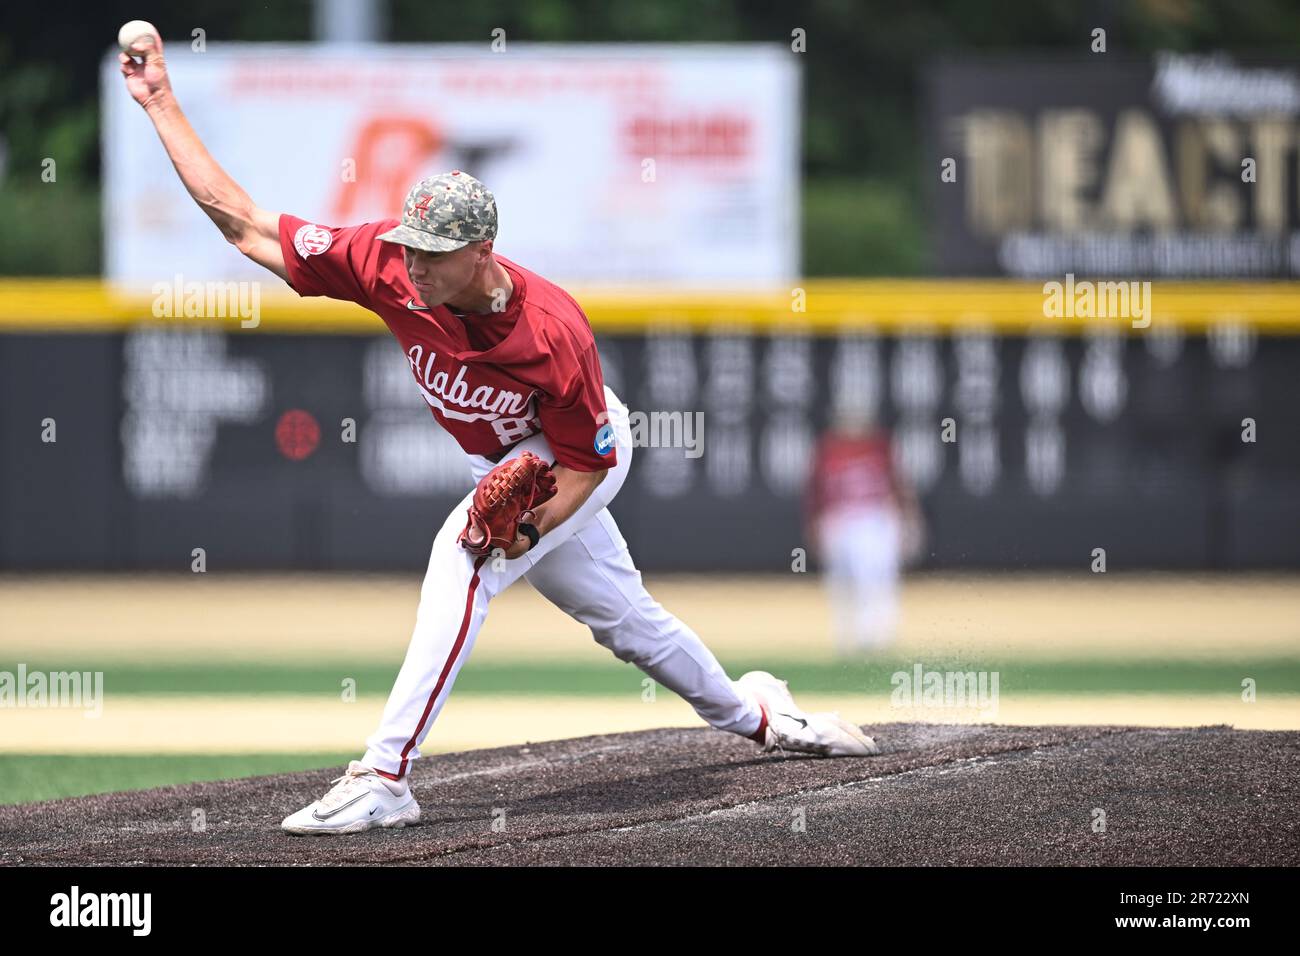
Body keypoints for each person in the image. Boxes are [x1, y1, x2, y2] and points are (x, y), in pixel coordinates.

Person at [118, 28, 878, 836]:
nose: (415, 266)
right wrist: (161, 102)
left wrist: (526, 526)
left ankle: (384, 775)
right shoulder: (384, 261)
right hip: (517, 460)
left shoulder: (552, 333)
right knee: (630, 626)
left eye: (436, 255)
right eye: (412, 248)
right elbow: (244, 227)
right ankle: (762, 715)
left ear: (483, 251)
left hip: (584, 452)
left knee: (463, 554)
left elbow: (588, 461)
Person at [806, 409, 923, 655]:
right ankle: (846, 639)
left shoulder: (880, 446)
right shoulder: (828, 448)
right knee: (840, 583)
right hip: (838, 520)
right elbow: (814, 491)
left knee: (877, 580)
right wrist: (815, 524)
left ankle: (878, 638)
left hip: (874, 520)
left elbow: (900, 485)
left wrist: (909, 520)